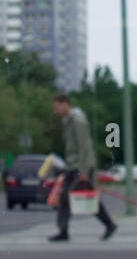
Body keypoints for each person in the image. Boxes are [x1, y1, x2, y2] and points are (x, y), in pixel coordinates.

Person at [49, 93, 116, 242]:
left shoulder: (78, 121)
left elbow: (84, 147)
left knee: (86, 199)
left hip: (81, 168)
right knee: (66, 198)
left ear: (65, 104)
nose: (55, 111)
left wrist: (84, 171)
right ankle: (63, 231)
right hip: (73, 167)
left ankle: (109, 224)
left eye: (57, 107)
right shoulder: (67, 121)